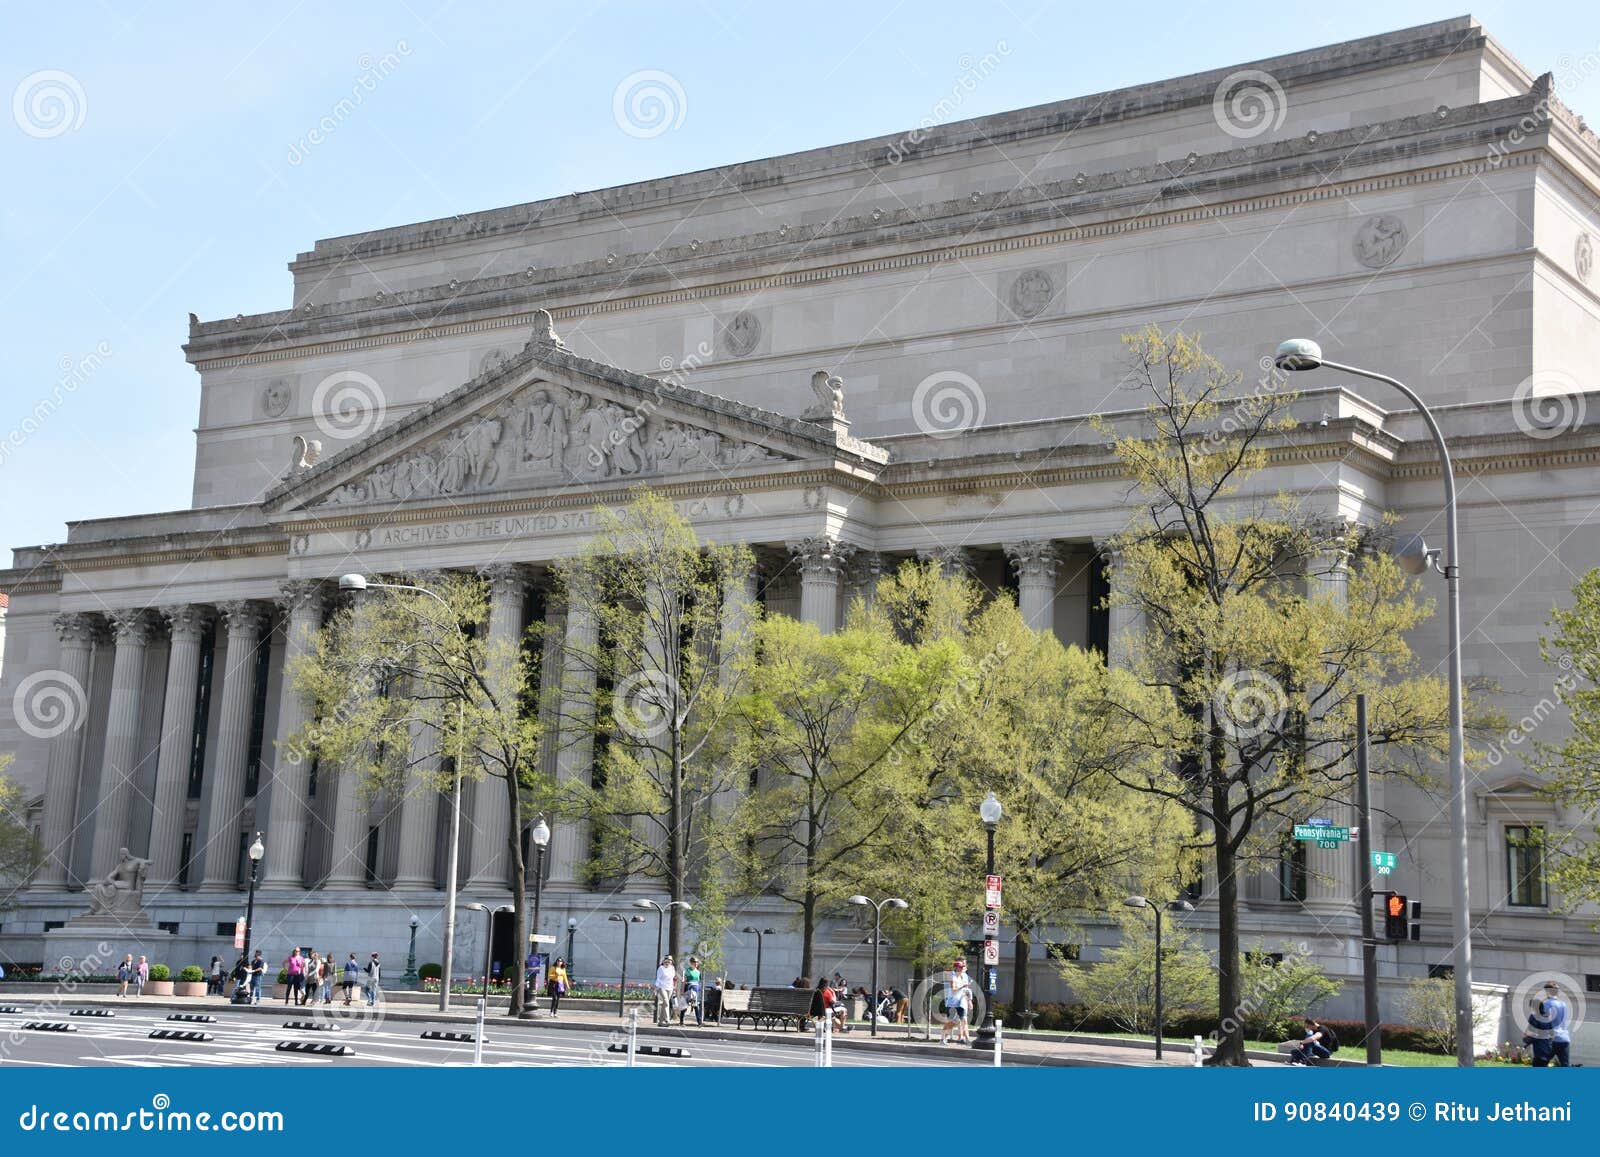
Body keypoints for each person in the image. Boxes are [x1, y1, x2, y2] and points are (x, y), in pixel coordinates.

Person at [1528, 981, 1572, 1067]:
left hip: (1551, 1039)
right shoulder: (1564, 1004)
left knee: (1540, 1064)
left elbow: (1544, 1021)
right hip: (1564, 1038)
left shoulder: (1546, 1004)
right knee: (1565, 1065)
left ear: (1547, 991)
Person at [941, 959, 972, 1044]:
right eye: (960, 967)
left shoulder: (963, 976)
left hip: (960, 1003)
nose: (962, 968)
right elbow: (953, 990)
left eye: (962, 967)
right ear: (956, 968)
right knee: (951, 1022)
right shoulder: (953, 977)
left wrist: (969, 1000)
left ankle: (967, 1040)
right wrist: (962, 986)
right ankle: (943, 1038)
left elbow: (966, 990)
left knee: (963, 1020)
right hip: (952, 1003)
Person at [654, 955, 677, 1026]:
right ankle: (667, 1020)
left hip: (670, 988)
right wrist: (655, 989)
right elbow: (658, 979)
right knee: (666, 1002)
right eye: (666, 960)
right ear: (664, 961)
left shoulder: (672, 968)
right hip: (662, 987)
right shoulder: (661, 968)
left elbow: (673, 978)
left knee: (665, 1004)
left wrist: (674, 987)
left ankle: (660, 1022)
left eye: (670, 960)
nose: (668, 962)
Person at [679, 957, 702, 1027]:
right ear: (691, 963)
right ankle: (681, 1022)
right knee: (685, 1006)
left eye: (697, 962)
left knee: (696, 1006)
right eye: (694, 962)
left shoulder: (698, 972)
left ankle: (699, 1022)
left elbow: (698, 981)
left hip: (696, 989)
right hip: (688, 989)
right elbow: (684, 981)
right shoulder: (687, 971)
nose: (696, 964)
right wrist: (682, 990)